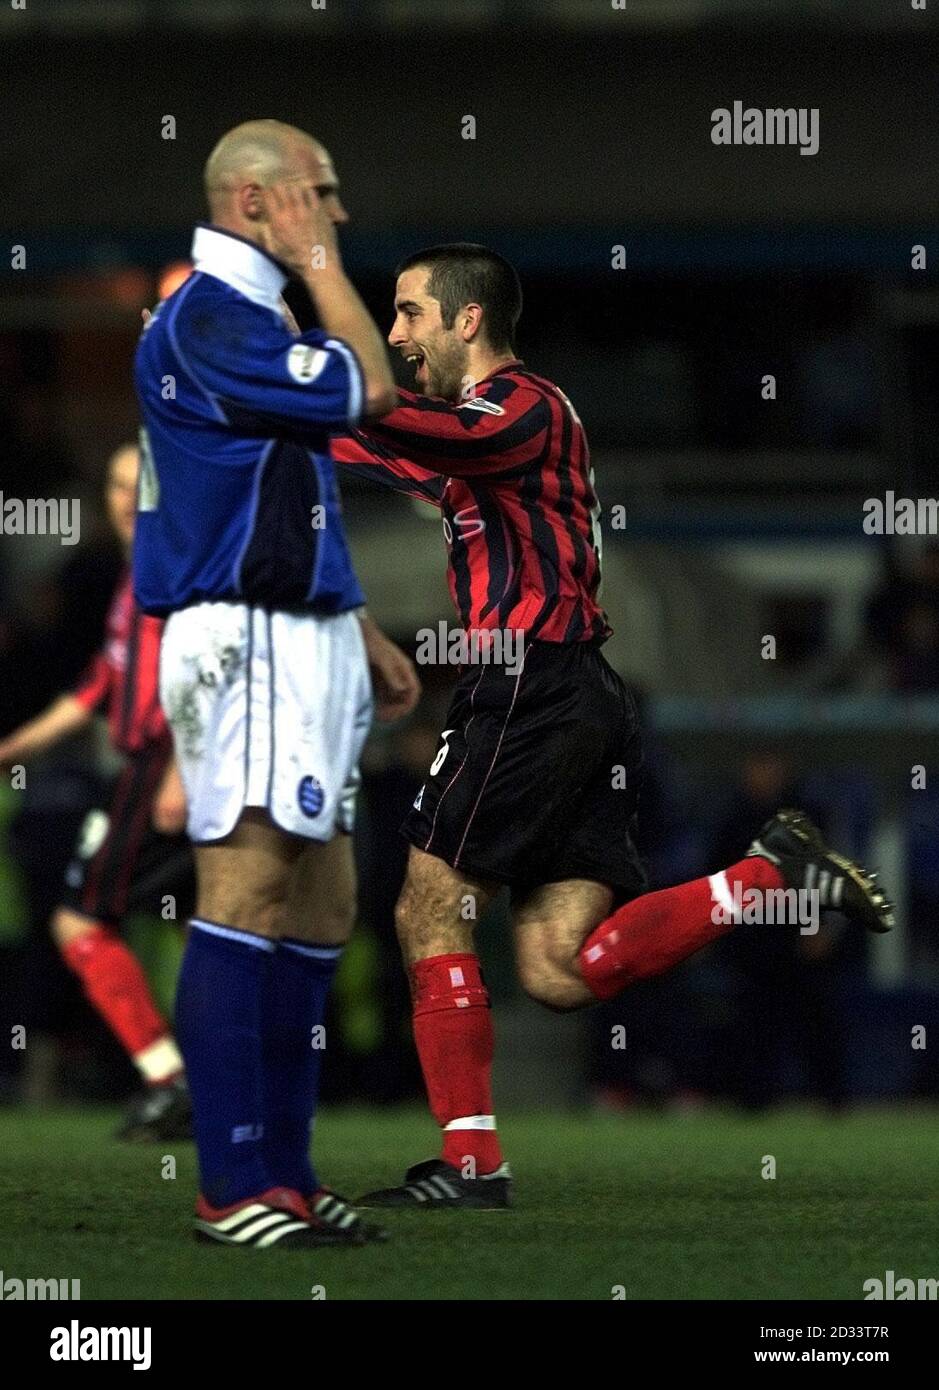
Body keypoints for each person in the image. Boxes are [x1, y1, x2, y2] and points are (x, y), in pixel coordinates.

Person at [332, 243, 894, 1210]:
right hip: (577, 695)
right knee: (558, 969)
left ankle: (471, 1168)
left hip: (529, 685)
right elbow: (371, 448)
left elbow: (397, 424)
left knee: (428, 905)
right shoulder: (475, 443)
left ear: (467, 319)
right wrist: (261, 417)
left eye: (409, 312)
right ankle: (765, 878)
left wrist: (309, 374)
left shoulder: (522, 406)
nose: (395, 332)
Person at [134, 119, 420, 1249]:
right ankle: (229, 1187)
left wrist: (357, 622)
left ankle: (287, 1176)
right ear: (256, 200)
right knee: (245, 894)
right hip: (246, 638)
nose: (335, 213)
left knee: (322, 905)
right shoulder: (212, 315)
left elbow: (281, 495)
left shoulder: (247, 320)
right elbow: (371, 389)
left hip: (303, 627)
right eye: (320, 192)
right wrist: (323, 269)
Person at [0, 442, 194, 1140]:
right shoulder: (135, 574)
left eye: (140, 484)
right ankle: (221, 1088)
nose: (126, 499)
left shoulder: (179, 569)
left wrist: (178, 768)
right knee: (214, 930)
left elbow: (209, 667)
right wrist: (12, 751)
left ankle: (171, 1080)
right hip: (161, 766)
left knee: (79, 922)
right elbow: (97, 687)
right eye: (114, 484)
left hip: (163, 765)